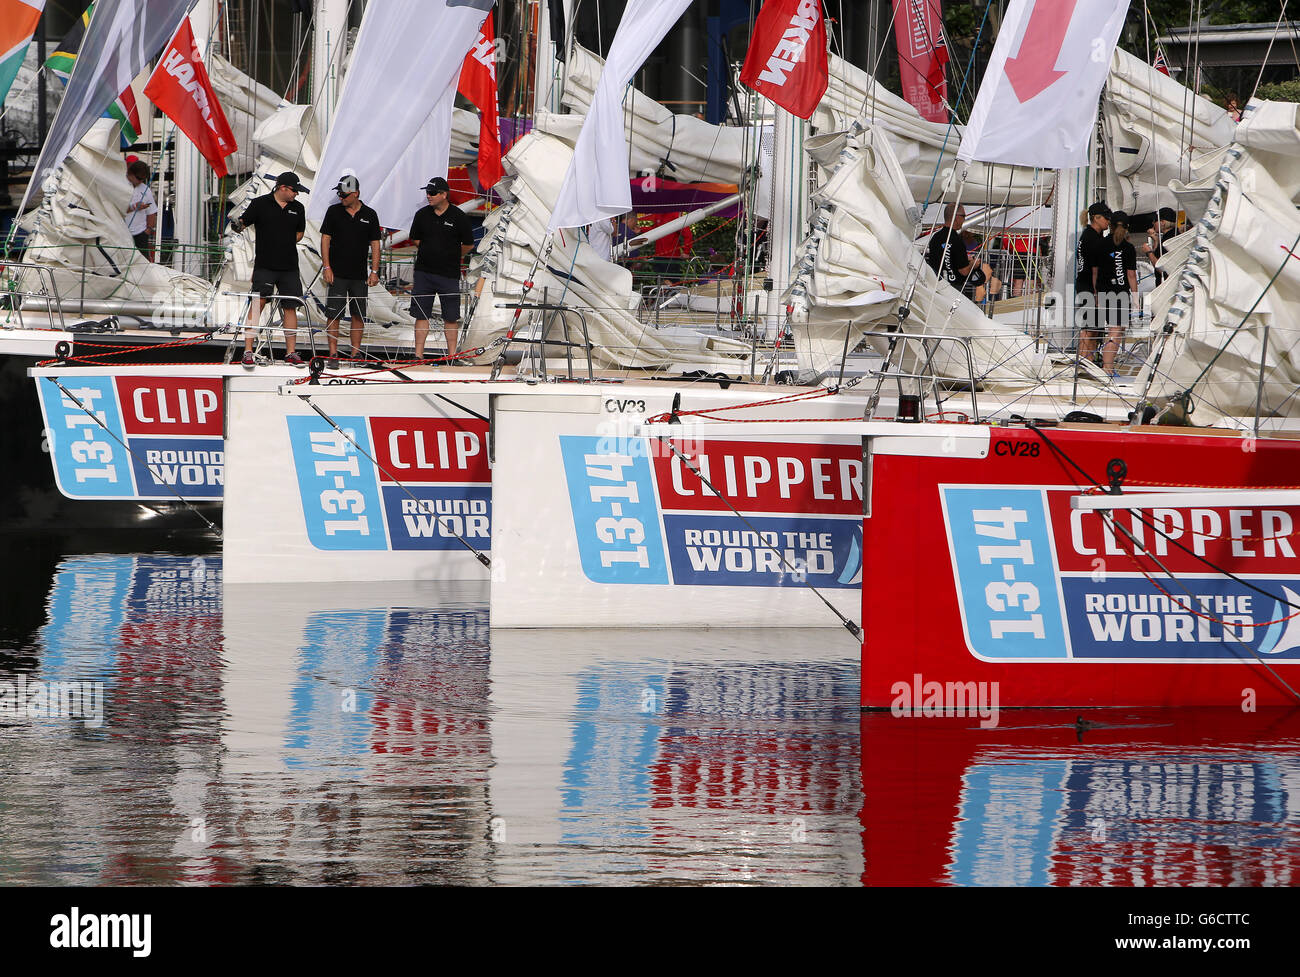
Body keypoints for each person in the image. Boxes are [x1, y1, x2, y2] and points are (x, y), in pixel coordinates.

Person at [233, 171, 309, 366]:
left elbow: (300, 233)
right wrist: (237, 225)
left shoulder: (298, 208)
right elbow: (243, 222)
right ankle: (248, 351)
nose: (296, 195)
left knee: (290, 306)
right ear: (282, 188)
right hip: (265, 265)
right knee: (258, 304)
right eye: (294, 191)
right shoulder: (260, 203)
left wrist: (284, 240)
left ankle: (290, 352)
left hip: (289, 266)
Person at [320, 172, 382, 370]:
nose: (340, 197)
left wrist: (374, 271)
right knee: (334, 314)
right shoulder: (333, 212)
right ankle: (333, 354)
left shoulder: (370, 214)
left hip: (359, 275)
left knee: (358, 315)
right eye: (339, 194)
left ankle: (356, 354)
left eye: (344, 195)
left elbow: (375, 244)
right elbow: (325, 240)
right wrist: (326, 267)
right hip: (337, 273)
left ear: (355, 193)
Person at [409, 176, 474, 361]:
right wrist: (431, 250)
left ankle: (452, 356)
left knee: (451, 317)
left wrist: (451, 255)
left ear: (444, 194)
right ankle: (418, 355)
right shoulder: (421, 215)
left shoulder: (459, 216)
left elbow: (468, 245)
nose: (428, 196)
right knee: (421, 315)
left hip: (449, 274)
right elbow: (416, 239)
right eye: (427, 193)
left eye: (432, 193)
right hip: (424, 273)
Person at [925, 203, 1001, 303]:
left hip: (936, 284)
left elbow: (941, 259)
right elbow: (964, 271)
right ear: (956, 217)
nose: (964, 219)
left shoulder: (935, 238)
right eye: (963, 216)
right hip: (954, 288)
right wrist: (974, 264)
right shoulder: (956, 240)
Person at [1096, 210, 1138, 375]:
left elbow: (1096, 270)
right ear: (1127, 228)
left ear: (1110, 226)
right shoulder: (1128, 248)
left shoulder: (1101, 244)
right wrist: (1135, 298)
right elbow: (1131, 275)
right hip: (1120, 293)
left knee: (1108, 330)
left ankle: (1106, 366)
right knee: (1115, 331)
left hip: (1103, 291)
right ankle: (1108, 368)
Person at [1075, 201, 1111, 361]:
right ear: (1096, 218)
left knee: (1094, 327)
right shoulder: (1092, 238)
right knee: (1089, 328)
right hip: (1089, 286)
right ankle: (1084, 362)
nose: (1108, 221)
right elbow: (1095, 268)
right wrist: (1096, 293)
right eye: (1106, 218)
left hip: (1085, 284)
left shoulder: (1089, 235)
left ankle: (1087, 361)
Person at [125, 160, 158, 260]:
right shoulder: (120, 185)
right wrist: (134, 207)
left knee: (143, 262)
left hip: (140, 233)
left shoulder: (145, 189)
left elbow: (151, 212)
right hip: (121, 232)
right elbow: (115, 207)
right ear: (131, 174)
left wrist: (148, 230)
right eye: (139, 178)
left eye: (143, 179)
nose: (141, 181)